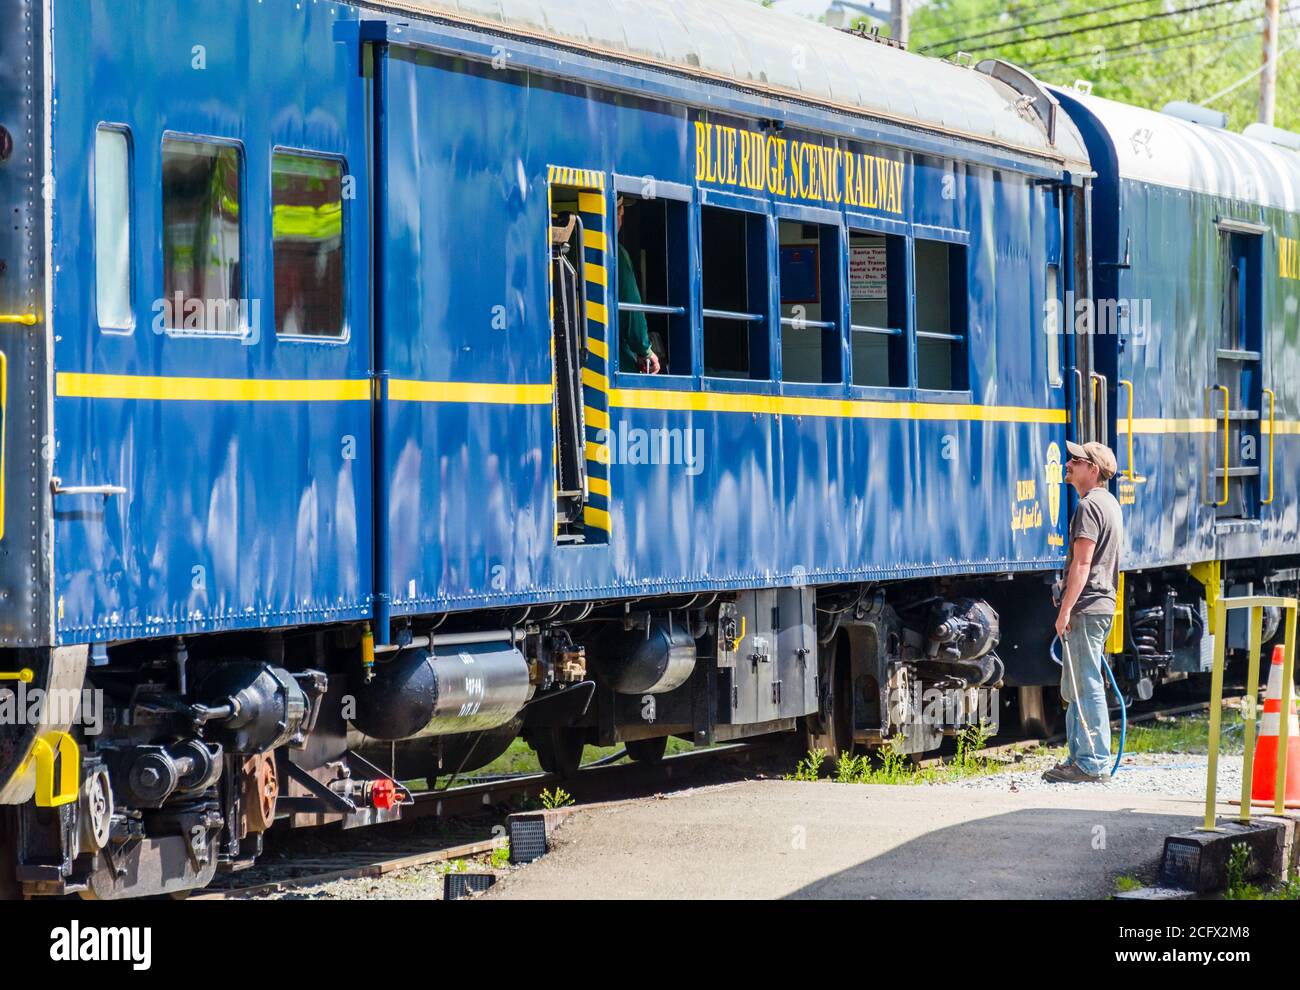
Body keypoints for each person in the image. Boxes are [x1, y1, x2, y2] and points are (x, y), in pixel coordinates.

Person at [1043, 439, 1124, 784]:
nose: (1068, 463)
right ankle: (1080, 758)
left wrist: (1066, 609)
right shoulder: (1109, 503)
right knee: (1077, 680)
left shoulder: (1089, 507)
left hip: (1088, 605)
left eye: (1076, 460)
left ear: (1092, 469)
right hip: (1099, 603)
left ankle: (1092, 762)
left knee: (1085, 681)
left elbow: (1083, 563)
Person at [616, 196, 660, 375]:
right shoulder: (616, 254)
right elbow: (631, 309)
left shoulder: (568, 247)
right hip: (613, 358)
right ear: (618, 213)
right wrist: (645, 351)